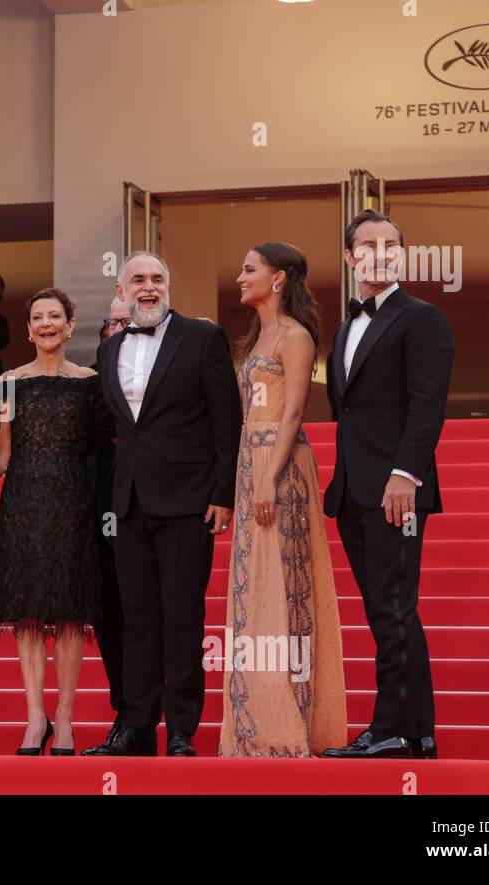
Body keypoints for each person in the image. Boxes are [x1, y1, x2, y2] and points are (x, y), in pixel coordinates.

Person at [93, 250, 241, 757]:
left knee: (182, 618)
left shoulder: (202, 338)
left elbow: (227, 421)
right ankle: (137, 725)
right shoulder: (109, 352)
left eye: (158, 278)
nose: (148, 286)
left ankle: (181, 729)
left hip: (187, 501)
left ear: (169, 287)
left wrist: (224, 493)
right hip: (129, 503)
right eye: (138, 279)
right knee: (137, 618)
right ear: (122, 291)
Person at [322, 210, 454, 760]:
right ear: (351, 257)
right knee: (388, 608)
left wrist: (406, 475)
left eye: (390, 243)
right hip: (354, 491)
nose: (379, 251)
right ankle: (417, 732)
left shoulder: (422, 318)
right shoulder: (344, 327)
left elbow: (427, 405)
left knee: (393, 607)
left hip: (395, 488)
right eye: (367, 244)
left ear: (400, 255)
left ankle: (391, 729)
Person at [218, 242, 346, 758]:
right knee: (255, 593)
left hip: (281, 467)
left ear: (278, 279)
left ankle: (290, 724)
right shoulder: (258, 337)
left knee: (285, 587)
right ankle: (255, 724)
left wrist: (268, 477)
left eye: (249, 269)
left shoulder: (294, 336)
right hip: (252, 464)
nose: (239, 277)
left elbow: (294, 412)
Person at [0, 289, 112, 756]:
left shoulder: (90, 382)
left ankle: (64, 719)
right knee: (30, 613)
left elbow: (102, 446)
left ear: (69, 324)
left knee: (71, 613)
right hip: (23, 505)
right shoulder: (8, 381)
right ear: (27, 328)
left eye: (54, 316)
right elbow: (4, 453)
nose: (45, 324)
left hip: (73, 504)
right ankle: (34, 717)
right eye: (37, 317)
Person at [82, 298, 131, 755]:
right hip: (99, 511)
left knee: (147, 614)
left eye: (125, 321)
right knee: (109, 614)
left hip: (153, 509)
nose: (116, 328)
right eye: (110, 322)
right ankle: (126, 713)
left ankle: (159, 715)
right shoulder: (91, 384)